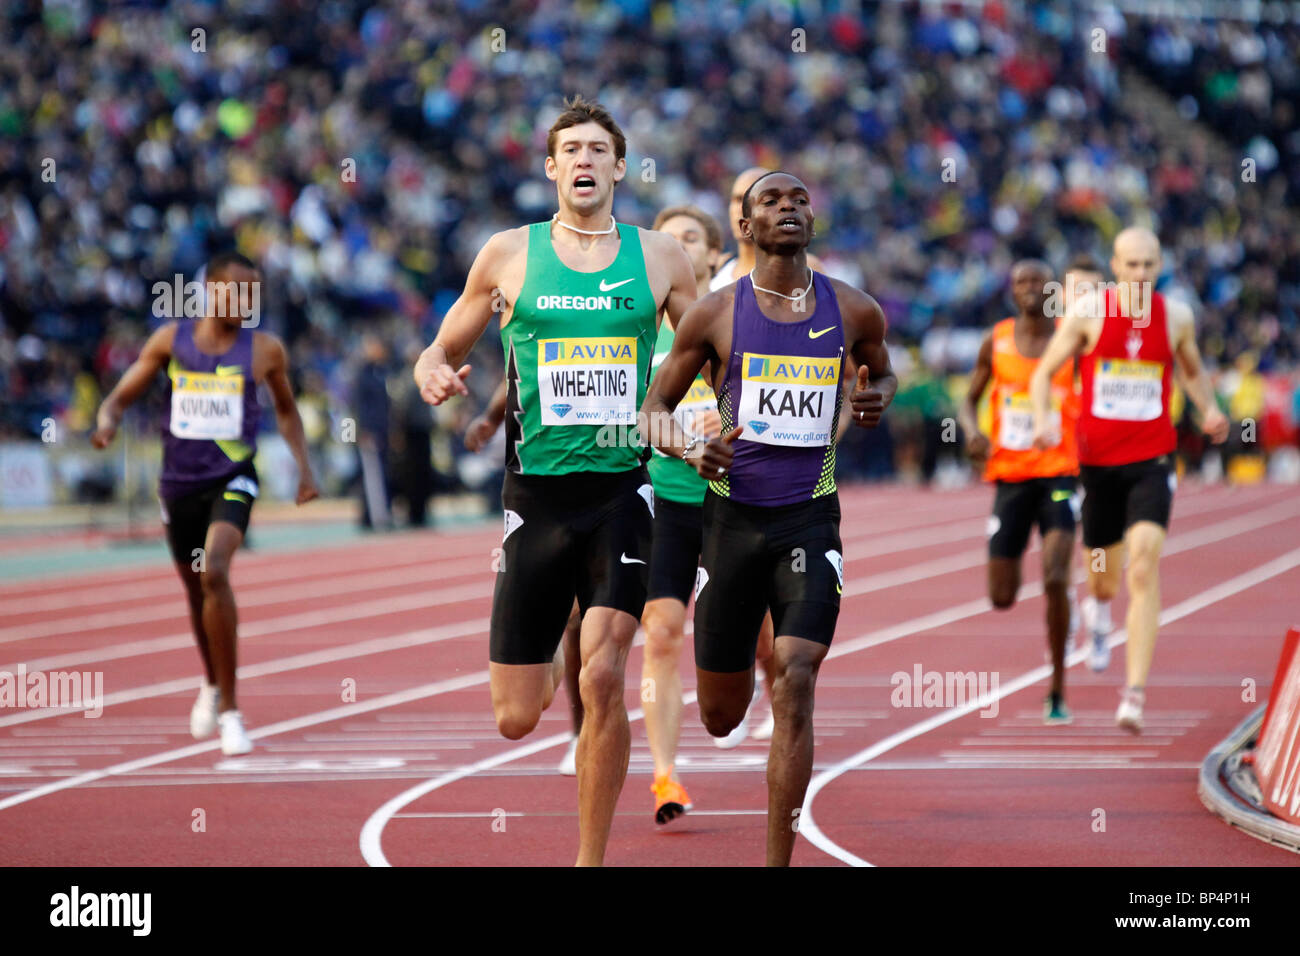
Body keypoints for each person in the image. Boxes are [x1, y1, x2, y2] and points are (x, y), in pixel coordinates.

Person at [413, 95, 697, 866]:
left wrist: (680, 420)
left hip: (623, 494)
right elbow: (436, 350)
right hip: (535, 499)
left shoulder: (663, 259)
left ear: (619, 167)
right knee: (515, 715)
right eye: (570, 149)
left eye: (598, 150)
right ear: (550, 167)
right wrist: (434, 373)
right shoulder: (507, 254)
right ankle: (541, 653)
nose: (583, 161)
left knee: (604, 674)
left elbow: (708, 354)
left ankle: (588, 860)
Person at [643, 171, 897, 865]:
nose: (788, 207)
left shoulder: (854, 310)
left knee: (797, 671)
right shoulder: (715, 314)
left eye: (799, 200)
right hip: (730, 525)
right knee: (722, 717)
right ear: (747, 230)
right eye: (770, 202)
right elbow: (652, 412)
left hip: (810, 518)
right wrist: (692, 444)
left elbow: (882, 370)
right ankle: (728, 682)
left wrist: (876, 400)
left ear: (811, 221)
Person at [92, 251, 320, 755]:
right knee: (197, 595)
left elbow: (286, 411)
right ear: (209, 291)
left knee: (214, 572)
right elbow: (120, 396)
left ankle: (233, 712)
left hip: (233, 477)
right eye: (236, 289)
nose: (246, 300)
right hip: (177, 484)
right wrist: (107, 420)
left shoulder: (264, 350)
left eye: (253, 292)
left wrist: (305, 468)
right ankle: (213, 683)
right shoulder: (170, 341)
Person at [1030, 227, 1229, 732]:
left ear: (1160, 265)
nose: (1141, 273)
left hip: (1153, 460)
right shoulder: (1088, 312)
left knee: (1144, 567)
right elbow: (1042, 373)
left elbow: (1191, 370)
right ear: (1115, 267)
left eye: (1149, 264)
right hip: (1097, 466)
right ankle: (1098, 609)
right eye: (1131, 264)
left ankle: (1134, 694)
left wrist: (1209, 408)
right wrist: (1042, 419)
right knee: (1104, 575)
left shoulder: (1177, 317)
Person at [958, 259, 1081, 724]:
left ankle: (1056, 688)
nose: (1031, 289)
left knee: (1055, 576)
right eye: (1022, 282)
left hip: (1058, 474)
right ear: (1012, 291)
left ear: (1053, 291)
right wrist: (972, 432)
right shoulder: (998, 339)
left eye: (1040, 282)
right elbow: (969, 399)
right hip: (1009, 477)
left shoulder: (1072, 340)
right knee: (1002, 596)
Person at [465, 380, 584, 775]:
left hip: (622, 484)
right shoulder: (537, 324)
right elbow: (519, 370)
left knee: (620, 633)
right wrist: (488, 418)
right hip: (541, 483)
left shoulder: (651, 318)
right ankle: (551, 654)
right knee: (520, 715)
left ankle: (584, 737)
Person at [353, 333, 393, 530]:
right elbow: (357, 405)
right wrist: (362, 431)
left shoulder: (382, 372)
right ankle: (376, 518)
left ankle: (378, 514)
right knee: (372, 475)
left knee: (381, 474)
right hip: (370, 431)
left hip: (383, 430)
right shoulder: (362, 374)